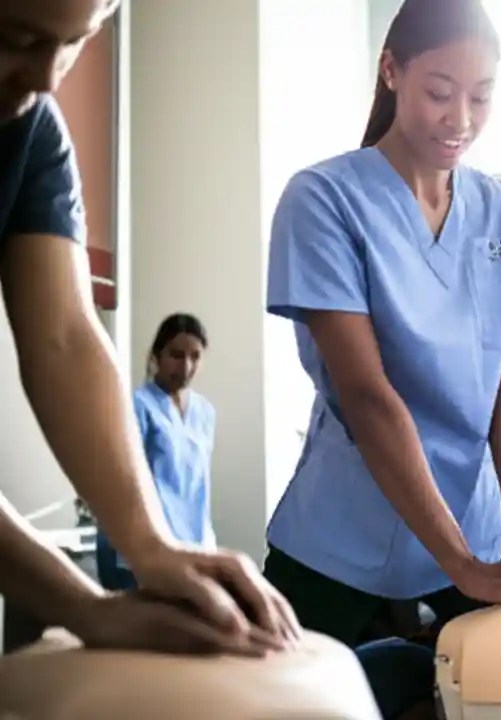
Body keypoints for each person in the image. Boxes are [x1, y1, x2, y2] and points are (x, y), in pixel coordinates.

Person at [262, 0, 501, 709]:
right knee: (273, 698)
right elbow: (367, 395)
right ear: (391, 72)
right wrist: (460, 564)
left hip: (476, 523)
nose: (461, 120)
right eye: (440, 92)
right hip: (341, 530)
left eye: (481, 97)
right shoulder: (324, 199)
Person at [0, 0, 297, 655]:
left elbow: (66, 339)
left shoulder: (32, 133)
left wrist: (153, 544)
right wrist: (84, 606)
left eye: (75, 42)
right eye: (16, 38)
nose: (48, 79)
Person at [97, 314, 217, 591]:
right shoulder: (137, 406)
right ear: (156, 356)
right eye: (176, 355)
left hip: (193, 545)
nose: (186, 366)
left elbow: (198, 486)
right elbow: (124, 478)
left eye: (195, 356)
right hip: (144, 547)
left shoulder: (205, 413)